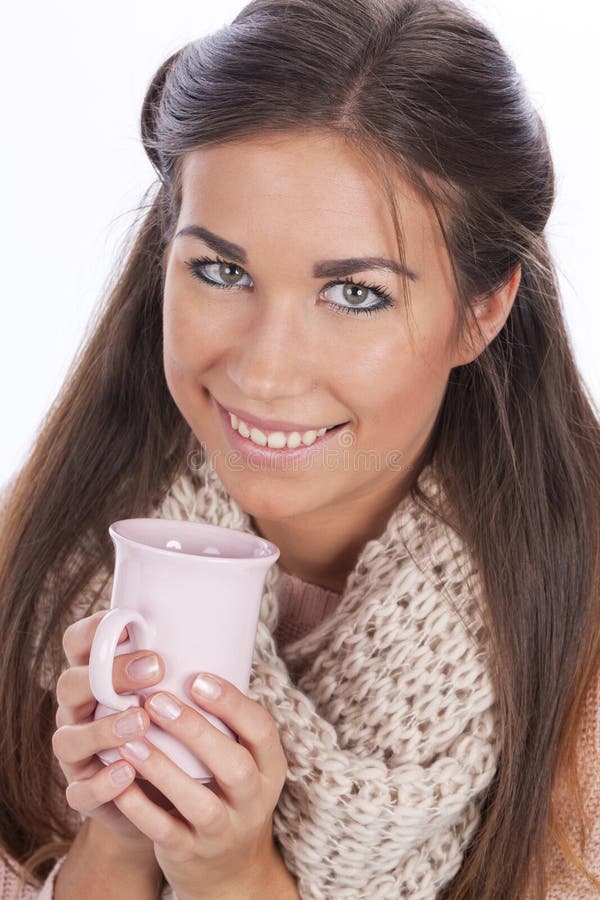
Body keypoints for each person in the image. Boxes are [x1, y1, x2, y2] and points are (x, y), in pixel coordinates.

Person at [1, 0, 598, 897]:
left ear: (483, 311)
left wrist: (234, 877)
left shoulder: (579, 644)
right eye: (222, 271)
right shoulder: (46, 550)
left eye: (355, 294)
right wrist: (120, 840)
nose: (265, 373)